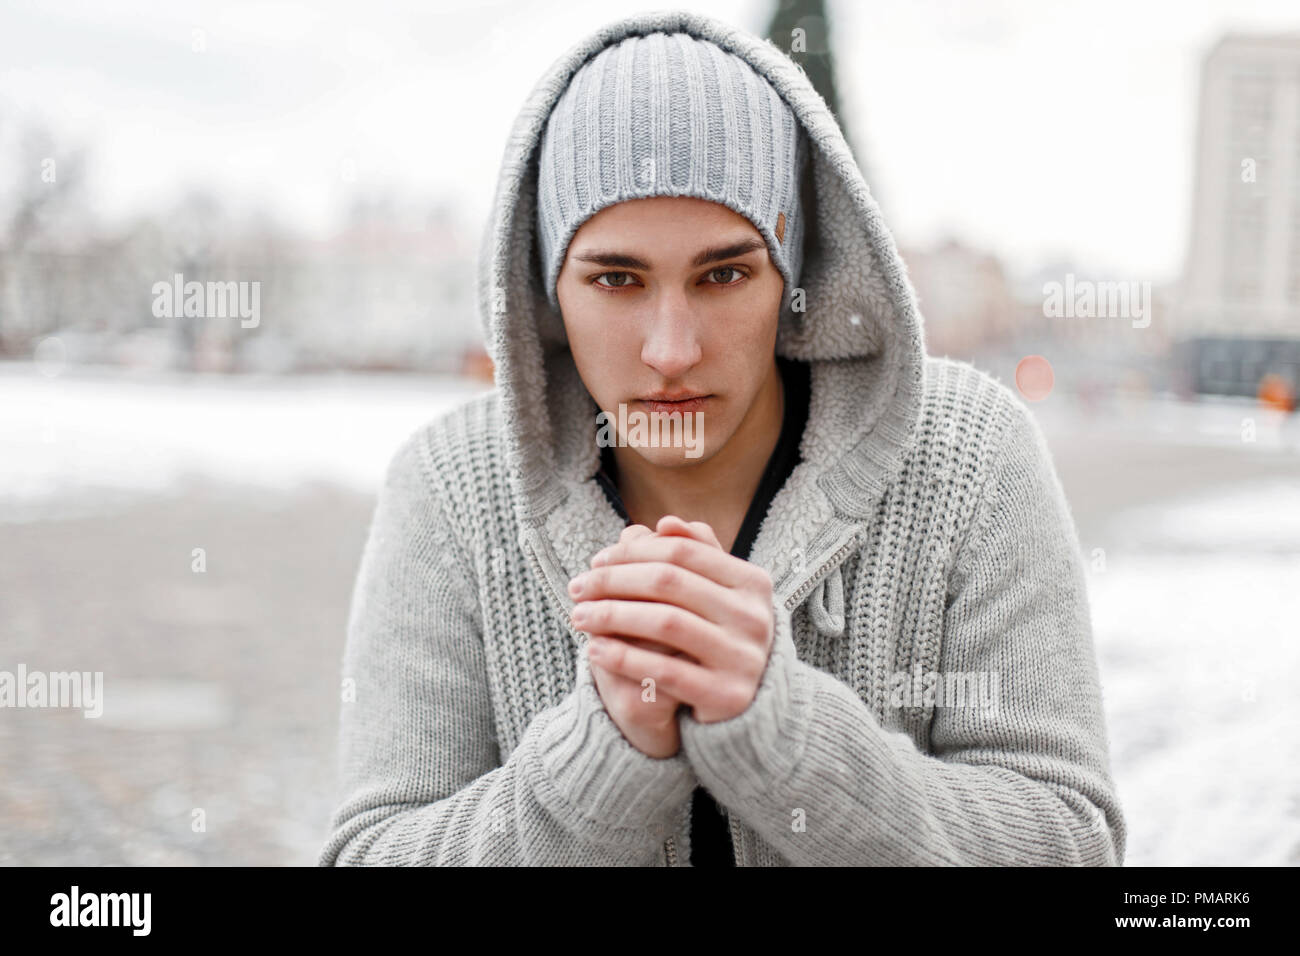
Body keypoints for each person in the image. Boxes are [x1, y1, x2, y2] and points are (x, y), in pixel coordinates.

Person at [318, 9, 1126, 866]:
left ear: (795, 272)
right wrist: (602, 758)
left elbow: (1069, 842)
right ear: (549, 288)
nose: (672, 351)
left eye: (725, 273)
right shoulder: (450, 489)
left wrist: (790, 736)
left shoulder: (972, 456)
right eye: (617, 279)